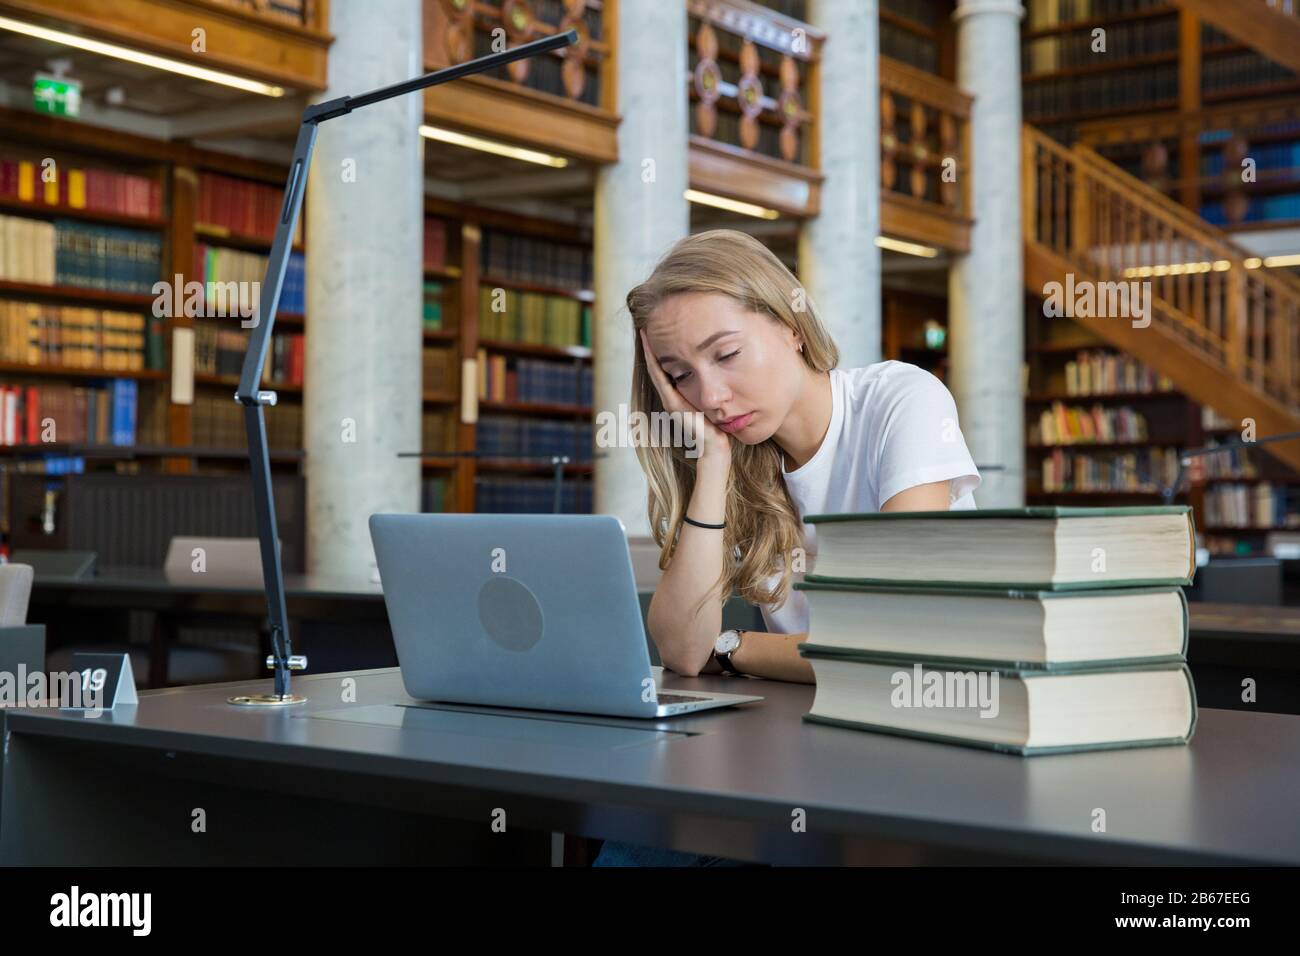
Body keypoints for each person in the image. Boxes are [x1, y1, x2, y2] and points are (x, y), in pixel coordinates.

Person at [591, 229, 981, 867]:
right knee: (647, 834)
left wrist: (735, 648)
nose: (710, 398)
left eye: (727, 354)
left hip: (918, 743)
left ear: (789, 325)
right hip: (805, 741)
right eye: (681, 375)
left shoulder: (901, 402)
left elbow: (888, 646)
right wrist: (712, 463)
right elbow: (685, 651)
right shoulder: (735, 453)